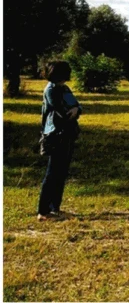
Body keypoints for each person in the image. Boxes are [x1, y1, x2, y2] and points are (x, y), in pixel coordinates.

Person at [37, 60, 82, 220]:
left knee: (61, 173)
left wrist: (76, 109)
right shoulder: (51, 90)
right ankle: (43, 211)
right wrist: (74, 110)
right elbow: (62, 112)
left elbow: (77, 106)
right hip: (56, 135)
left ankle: (55, 207)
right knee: (52, 173)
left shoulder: (64, 88)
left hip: (68, 134)